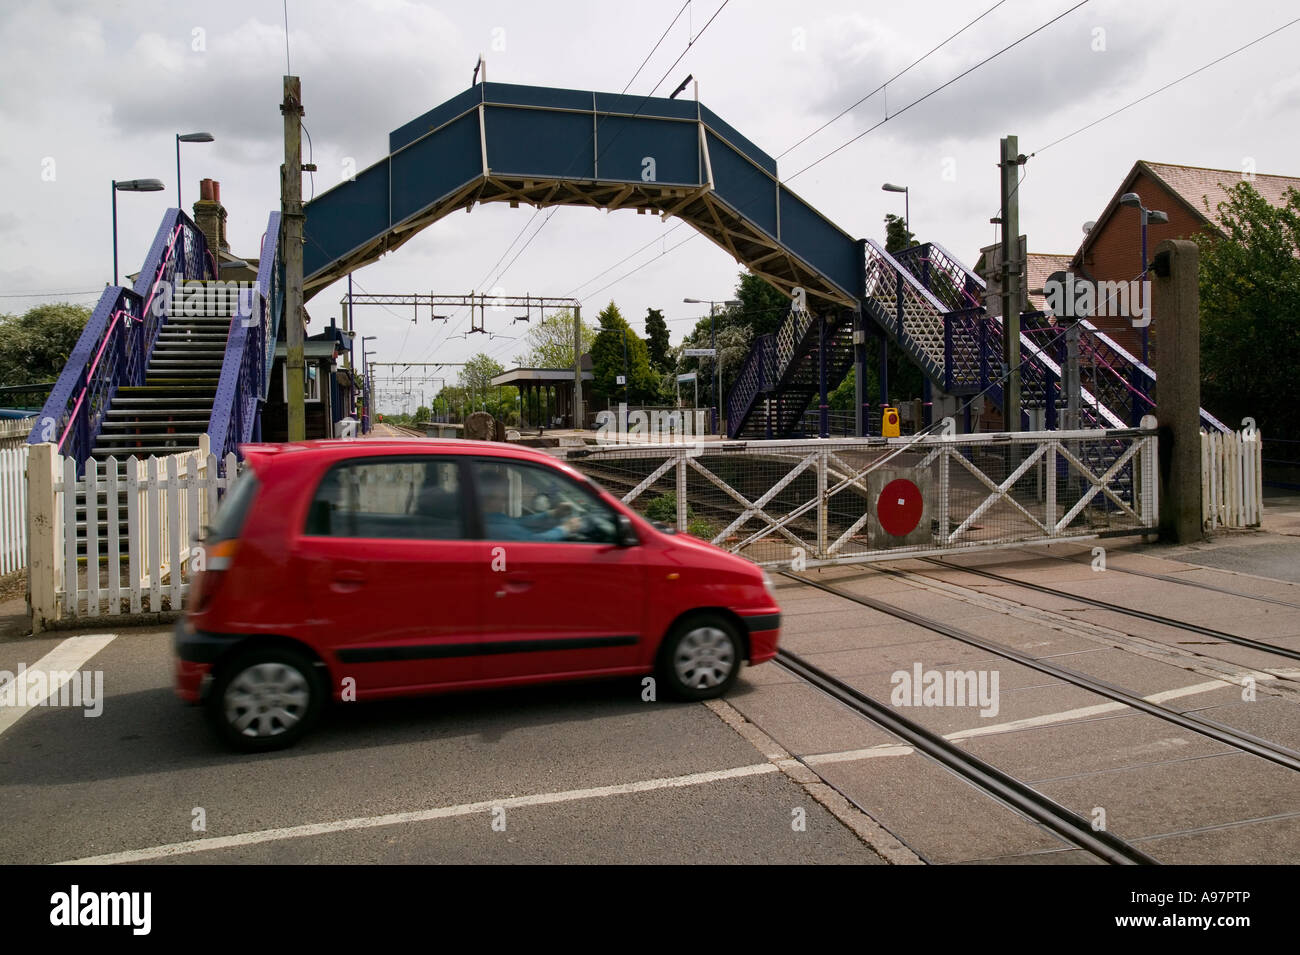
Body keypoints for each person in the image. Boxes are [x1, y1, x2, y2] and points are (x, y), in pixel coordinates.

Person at [478, 472, 582, 541]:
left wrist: (553, 513)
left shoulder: (489, 518)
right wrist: (565, 528)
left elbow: (519, 522)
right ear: (488, 498)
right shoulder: (497, 528)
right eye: (502, 495)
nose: (505, 500)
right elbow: (536, 541)